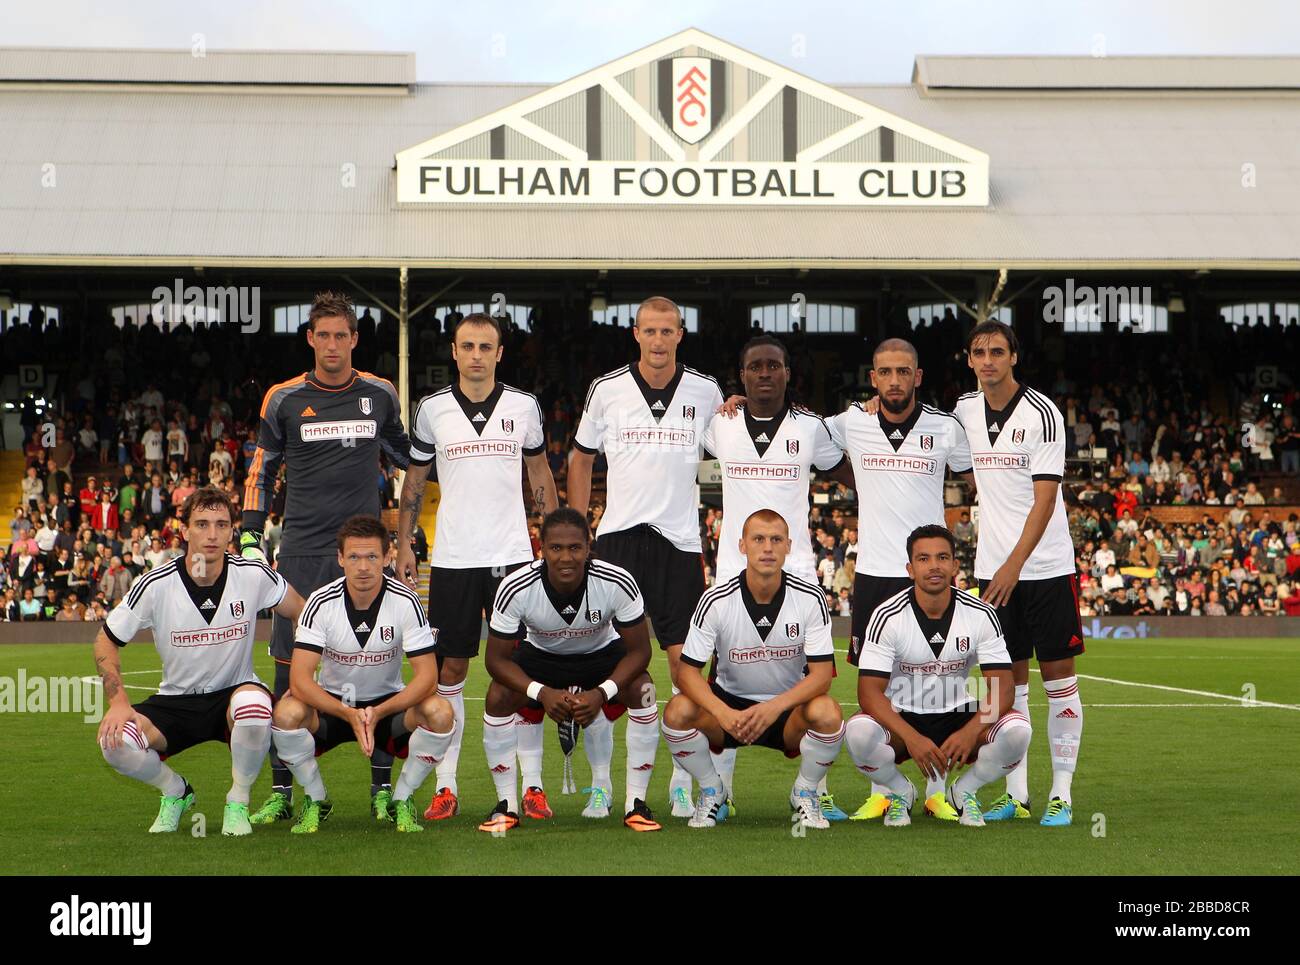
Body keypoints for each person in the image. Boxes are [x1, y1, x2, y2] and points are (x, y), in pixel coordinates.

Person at [243, 291, 412, 826]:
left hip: (364, 555)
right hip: (300, 556)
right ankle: (282, 790)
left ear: (355, 339)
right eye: (324, 335)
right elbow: (261, 469)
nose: (333, 344)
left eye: (343, 335)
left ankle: (383, 791)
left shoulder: (380, 394)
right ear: (310, 338)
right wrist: (250, 535)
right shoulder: (284, 398)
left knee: (380, 670)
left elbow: (412, 457)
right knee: (290, 677)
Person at [396, 311, 557, 822]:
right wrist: (404, 543)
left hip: (514, 558)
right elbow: (415, 480)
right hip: (454, 557)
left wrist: (554, 543)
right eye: (467, 346)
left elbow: (540, 472)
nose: (476, 355)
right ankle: (447, 787)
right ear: (454, 351)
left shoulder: (524, 406)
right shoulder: (431, 409)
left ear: (499, 353)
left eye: (485, 347)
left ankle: (531, 786)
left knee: (521, 673)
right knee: (451, 670)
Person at [567, 295, 724, 818]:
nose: (658, 340)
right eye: (649, 331)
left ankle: (683, 781)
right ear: (636, 333)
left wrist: (745, 407)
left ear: (681, 334)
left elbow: (739, 446)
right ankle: (601, 786)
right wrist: (575, 530)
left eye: (668, 331)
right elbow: (581, 456)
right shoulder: (607, 389)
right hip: (617, 542)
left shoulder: (706, 393)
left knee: (687, 670)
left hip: (679, 545)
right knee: (614, 671)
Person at [94, 486, 306, 835]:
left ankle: (237, 801)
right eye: (202, 524)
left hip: (233, 693)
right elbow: (105, 640)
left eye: (221, 525)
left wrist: (300, 681)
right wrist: (118, 702)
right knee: (114, 743)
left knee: (254, 707)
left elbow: (302, 611)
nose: (212, 534)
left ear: (231, 531)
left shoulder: (252, 574)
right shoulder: (155, 584)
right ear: (185, 530)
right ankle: (175, 791)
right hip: (176, 701)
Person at [702, 334, 853, 814]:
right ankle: (718, 789)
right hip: (732, 567)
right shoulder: (718, 425)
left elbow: (853, 471)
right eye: (755, 366)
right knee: (721, 672)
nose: (765, 373)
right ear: (742, 376)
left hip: (799, 568)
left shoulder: (812, 427)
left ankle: (813, 788)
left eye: (774, 366)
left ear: (788, 374)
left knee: (813, 678)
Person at [833, 338, 973, 822]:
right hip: (874, 573)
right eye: (885, 372)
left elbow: (983, 472)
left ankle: (937, 789)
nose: (894, 380)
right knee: (875, 685)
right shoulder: (852, 421)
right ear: (873, 378)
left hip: (927, 573)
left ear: (918, 376)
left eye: (903, 371)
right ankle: (887, 788)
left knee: (934, 680)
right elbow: (797, 426)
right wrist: (737, 402)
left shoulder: (946, 427)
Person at [953, 321, 1083, 826]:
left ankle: (1062, 794)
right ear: (969, 359)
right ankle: (1016, 792)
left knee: (1059, 684)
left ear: (1014, 357)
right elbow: (918, 420)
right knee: (1006, 687)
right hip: (993, 571)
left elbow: (1045, 502)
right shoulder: (964, 410)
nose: (988, 360)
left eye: (997, 352)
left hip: (1045, 569)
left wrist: (1013, 564)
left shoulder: (1043, 414)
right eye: (979, 352)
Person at [478, 508, 661, 833]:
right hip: (542, 657)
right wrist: (541, 692)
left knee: (644, 690)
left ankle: (636, 804)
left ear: (588, 547)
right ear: (542, 549)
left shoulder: (616, 581)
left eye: (575, 548)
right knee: (498, 695)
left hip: (601, 654)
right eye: (556, 548)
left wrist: (602, 692)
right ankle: (505, 805)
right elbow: (495, 660)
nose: (566, 557)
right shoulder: (515, 586)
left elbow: (641, 651)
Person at [662, 509, 844, 830]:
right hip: (729, 711)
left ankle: (805, 791)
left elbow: (821, 675)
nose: (768, 548)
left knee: (828, 712)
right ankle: (711, 790)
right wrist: (723, 712)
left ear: (789, 546)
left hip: (785, 712)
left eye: (776, 540)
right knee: (676, 712)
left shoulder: (810, 597)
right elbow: (687, 673)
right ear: (742, 546)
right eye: (758, 539)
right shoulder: (716, 599)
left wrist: (773, 707)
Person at [270, 516, 452, 833]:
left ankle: (402, 797)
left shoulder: (406, 601)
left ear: (387, 557)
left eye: (372, 557)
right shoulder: (319, 602)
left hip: (387, 708)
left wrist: (378, 711)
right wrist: (347, 713)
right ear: (341, 559)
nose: (363, 567)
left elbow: (427, 678)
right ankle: (316, 799)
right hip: (334, 708)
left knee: (440, 711)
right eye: (354, 557)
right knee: (285, 714)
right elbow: (299, 680)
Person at [846, 524, 1029, 827]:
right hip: (902, 714)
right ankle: (901, 791)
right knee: (857, 734)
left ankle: (964, 791)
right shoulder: (886, 616)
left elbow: (1004, 687)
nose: (934, 566)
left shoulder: (981, 613)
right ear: (910, 568)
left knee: (1018, 731)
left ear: (955, 565)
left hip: (959, 711)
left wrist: (970, 732)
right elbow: (868, 693)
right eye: (923, 559)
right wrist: (913, 738)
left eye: (942, 557)